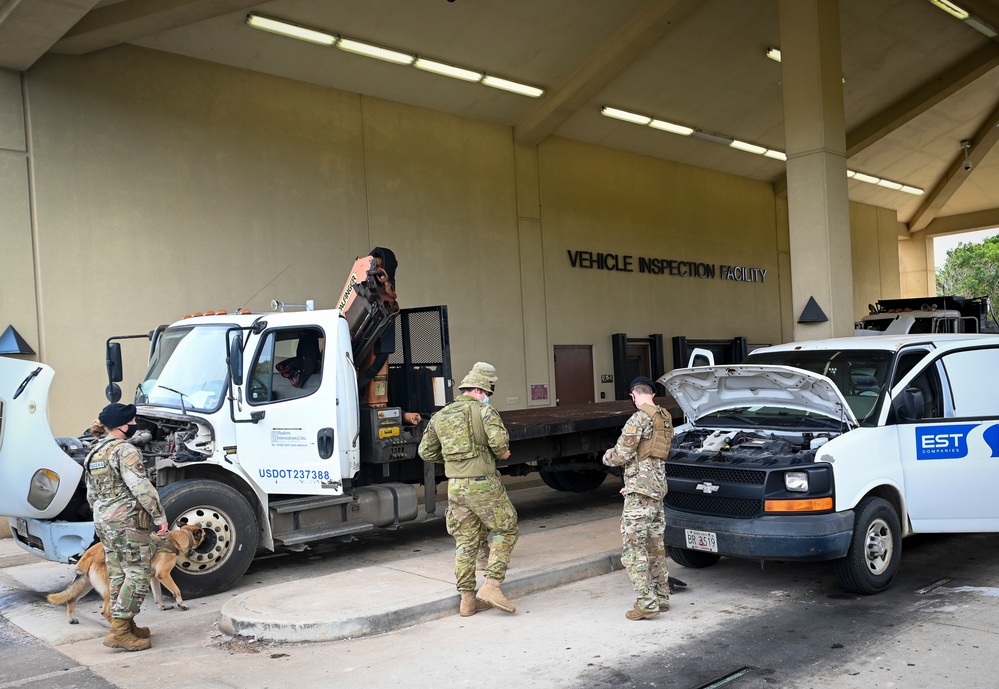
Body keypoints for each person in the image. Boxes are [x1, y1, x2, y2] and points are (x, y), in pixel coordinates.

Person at [419, 367, 519, 617]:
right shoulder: (484, 410)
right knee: (506, 529)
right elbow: (499, 444)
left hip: (456, 487)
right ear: (477, 390)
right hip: (483, 483)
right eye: (486, 391)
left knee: (465, 541)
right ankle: (492, 586)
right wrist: (502, 453)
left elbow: (426, 452)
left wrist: (455, 463)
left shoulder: (440, 416)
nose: (488, 396)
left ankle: (467, 600)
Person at [84, 402, 169, 651]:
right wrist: (159, 516)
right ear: (123, 426)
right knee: (139, 573)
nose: (134, 425)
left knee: (118, 572)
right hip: (127, 520)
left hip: (104, 520)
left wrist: (105, 516)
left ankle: (127, 624)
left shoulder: (94, 452)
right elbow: (141, 487)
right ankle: (119, 630)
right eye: (132, 422)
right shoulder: (124, 451)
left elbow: (91, 494)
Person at [602, 376, 674, 620]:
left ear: (634, 394)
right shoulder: (665, 417)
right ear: (652, 394)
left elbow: (622, 453)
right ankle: (662, 598)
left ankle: (646, 603)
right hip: (656, 489)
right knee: (655, 546)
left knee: (634, 550)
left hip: (640, 493)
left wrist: (606, 457)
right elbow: (650, 456)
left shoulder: (639, 417)